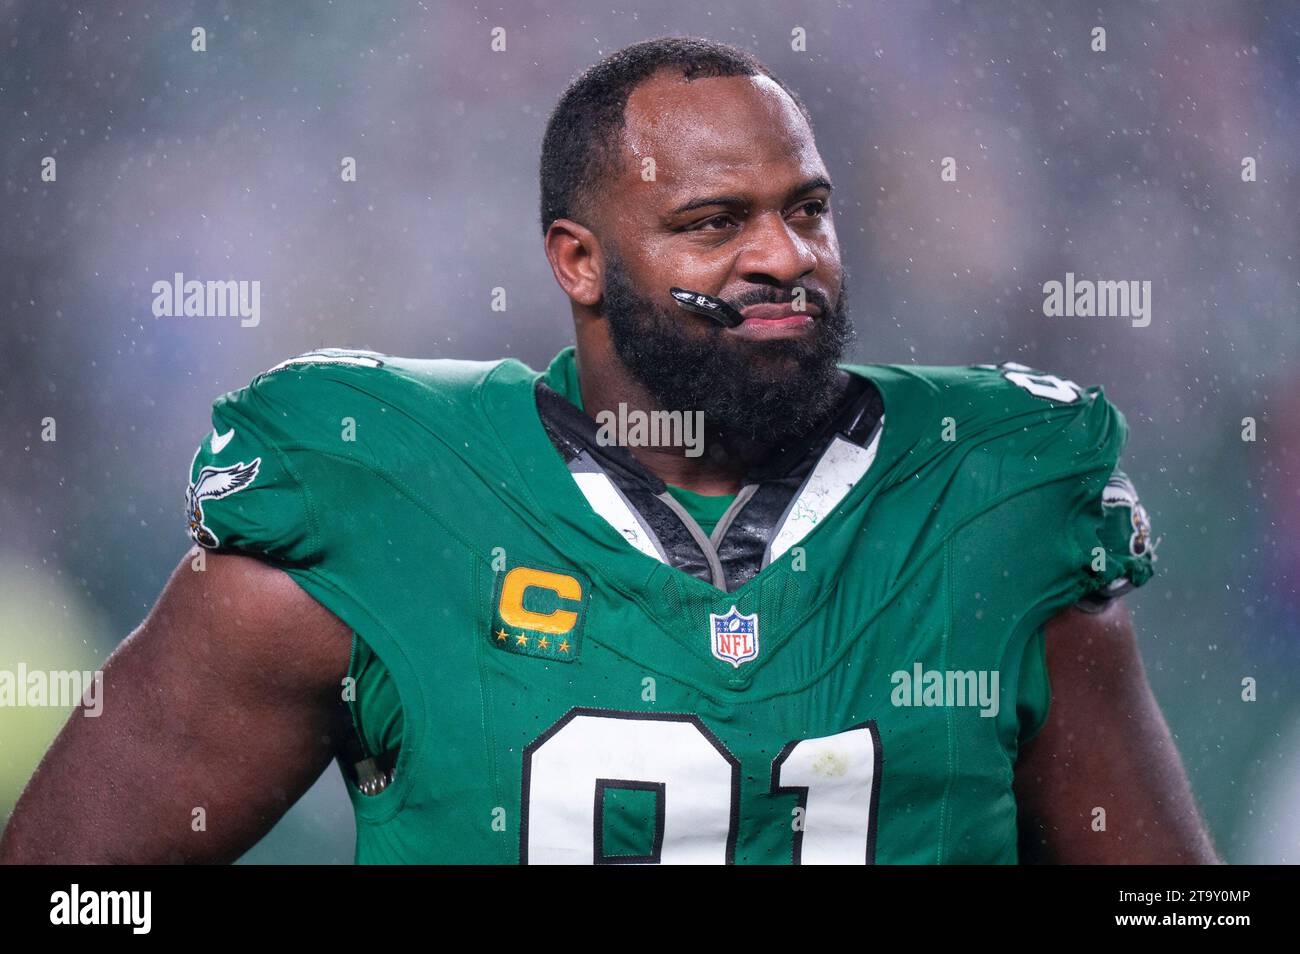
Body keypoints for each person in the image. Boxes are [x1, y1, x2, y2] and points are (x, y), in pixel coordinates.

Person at [1, 36, 1217, 864]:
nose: (785, 256)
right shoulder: (377, 499)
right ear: (577, 261)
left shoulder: (994, 497)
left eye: (806, 209)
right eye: (714, 222)